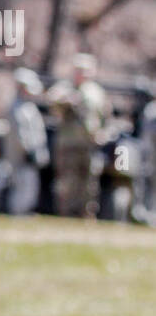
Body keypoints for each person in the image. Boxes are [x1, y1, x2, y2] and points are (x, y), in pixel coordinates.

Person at [49, 53, 109, 218]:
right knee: (69, 181)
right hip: (69, 144)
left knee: (90, 181)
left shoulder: (97, 93)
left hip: (90, 143)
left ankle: (87, 213)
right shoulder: (65, 88)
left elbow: (105, 117)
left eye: (87, 70)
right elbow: (53, 104)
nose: (83, 74)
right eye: (80, 70)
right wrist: (67, 100)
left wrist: (103, 133)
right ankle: (67, 213)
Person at [2, 68, 49, 216]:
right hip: (22, 158)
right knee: (22, 188)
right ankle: (18, 214)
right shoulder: (16, 108)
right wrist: (28, 151)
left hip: (31, 157)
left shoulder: (28, 107)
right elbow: (20, 135)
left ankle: (25, 212)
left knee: (30, 187)